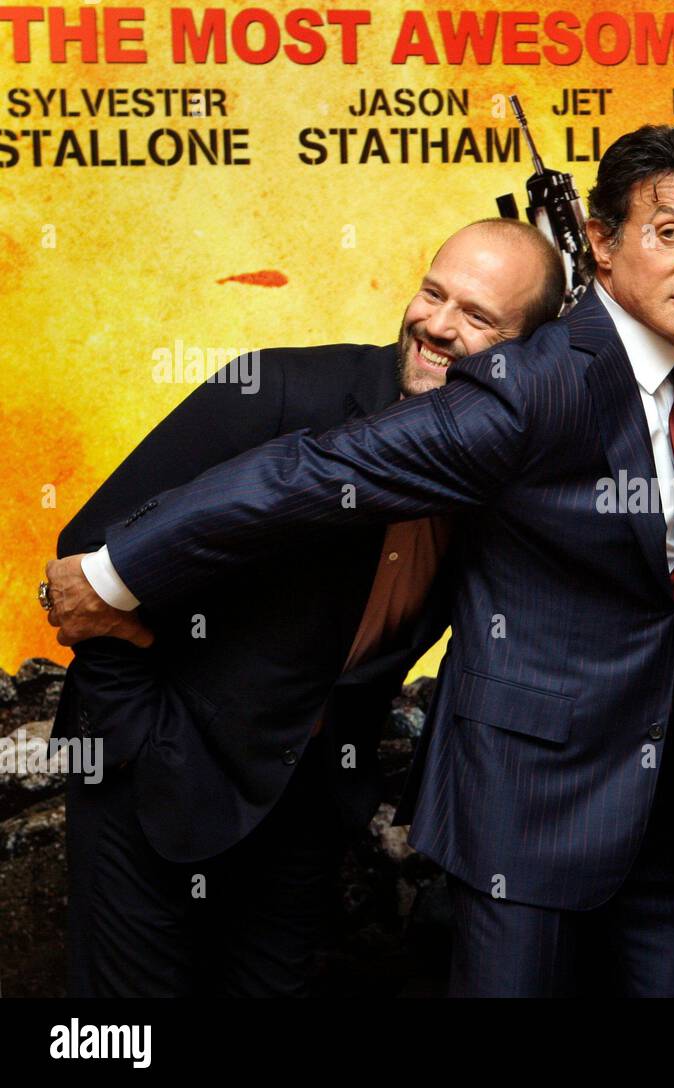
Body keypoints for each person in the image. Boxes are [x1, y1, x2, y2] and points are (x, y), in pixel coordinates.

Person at [45, 123, 674, 998]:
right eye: (670, 233)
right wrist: (109, 580)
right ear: (602, 244)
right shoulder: (520, 386)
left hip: (651, 809)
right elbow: (312, 471)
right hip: (473, 806)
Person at [43, 218, 565, 997]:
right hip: (154, 790)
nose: (437, 326)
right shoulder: (278, 390)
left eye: (478, 316)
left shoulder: (507, 473)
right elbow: (87, 561)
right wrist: (141, 740)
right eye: (432, 293)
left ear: (534, 349)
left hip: (307, 813)